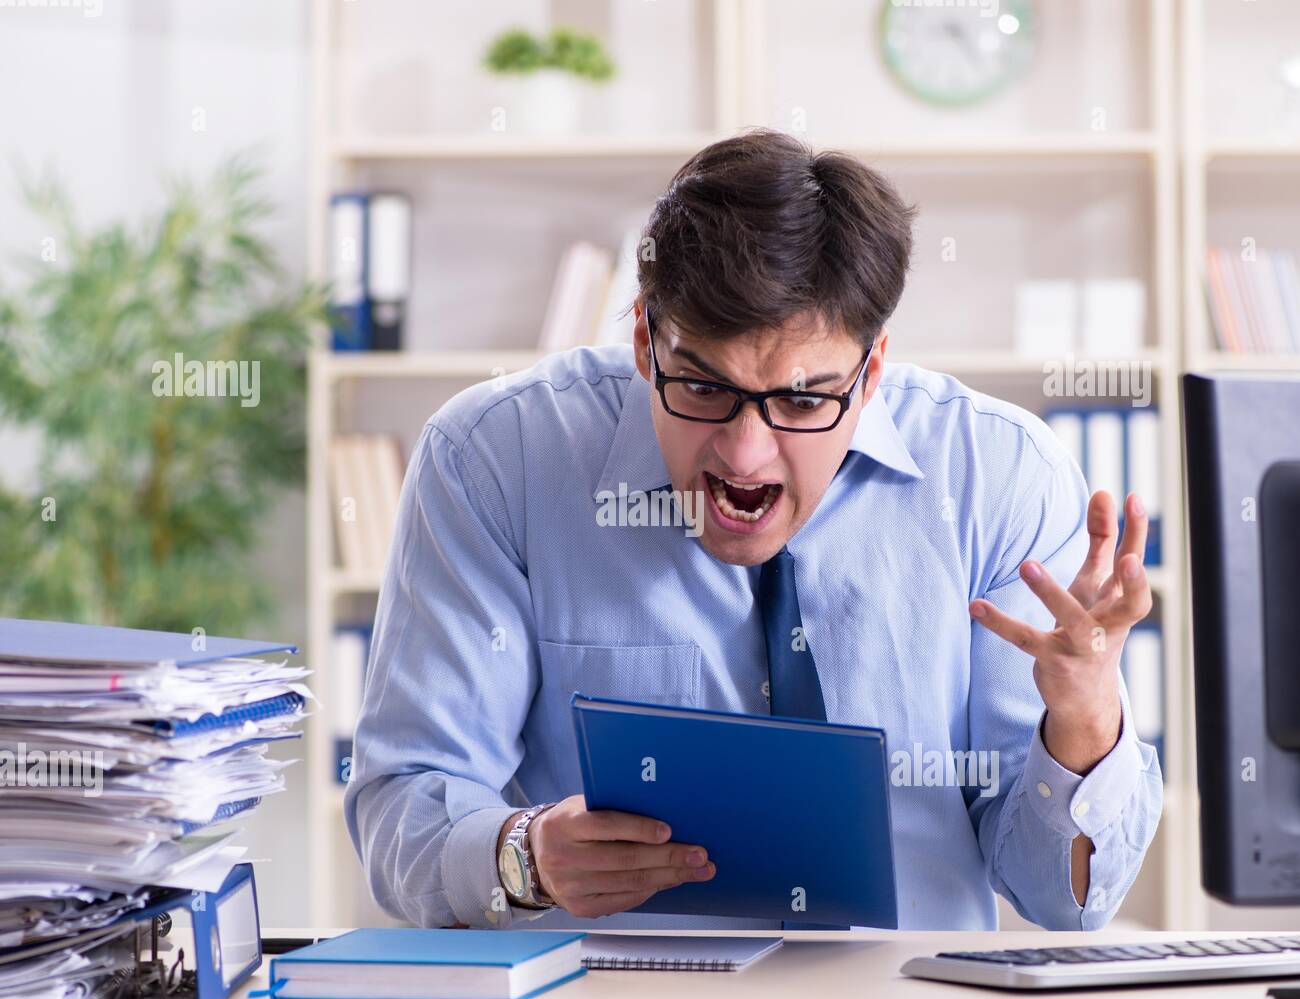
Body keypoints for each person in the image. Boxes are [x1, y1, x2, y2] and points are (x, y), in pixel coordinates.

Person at [344, 129, 1162, 932]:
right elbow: (403, 803)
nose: (744, 453)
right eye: (702, 388)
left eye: (803, 402)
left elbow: (1063, 902)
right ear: (642, 341)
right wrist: (521, 856)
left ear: (871, 372)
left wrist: (1085, 721)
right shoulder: (499, 458)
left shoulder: (1000, 476)